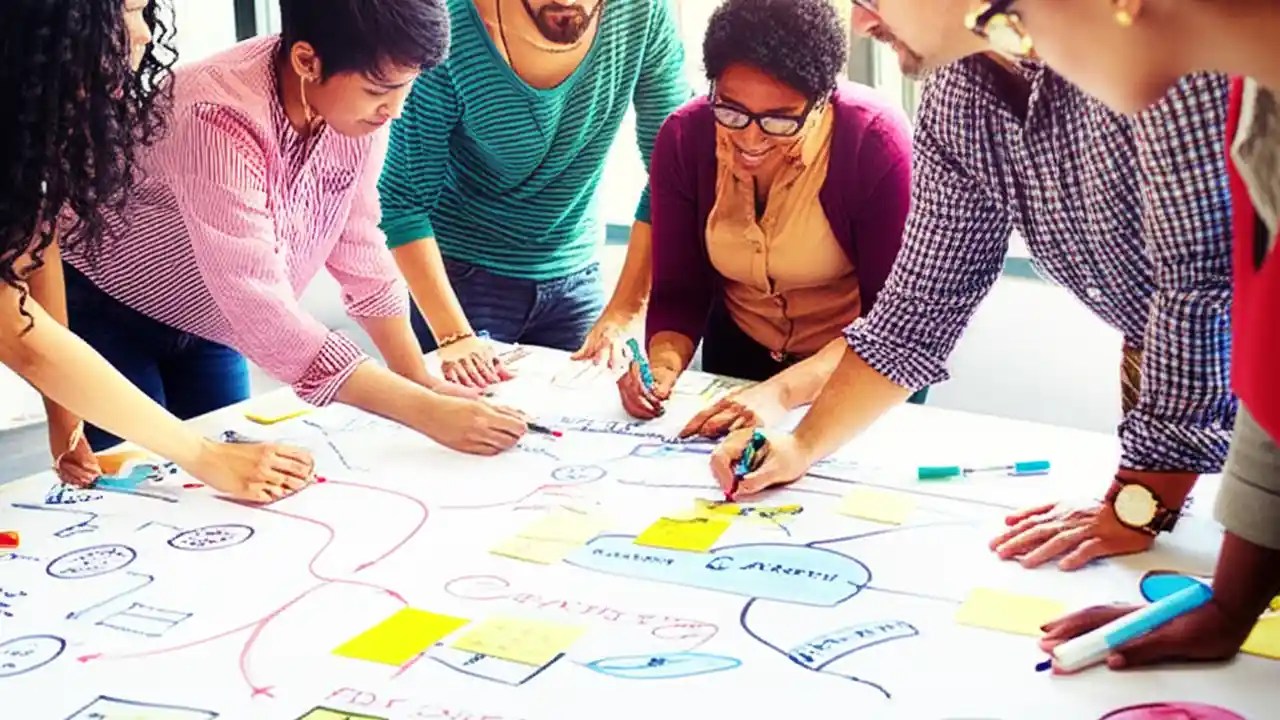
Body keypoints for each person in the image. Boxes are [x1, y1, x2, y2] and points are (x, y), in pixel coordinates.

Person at [708, 0, 1236, 573]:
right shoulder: (959, 94)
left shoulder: (1143, 43)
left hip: (1241, 374)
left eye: (873, 0)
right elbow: (914, 316)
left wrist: (1138, 502)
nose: (861, 23)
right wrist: (801, 445)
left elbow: (1206, 284)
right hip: (1176, 391)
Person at [61, 0, 530, 456]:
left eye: (406, 87)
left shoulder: (359, 112)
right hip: (108, 306)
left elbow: (360, 245)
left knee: (229, 466)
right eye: (379, 90)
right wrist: (422, 411)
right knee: (135, 481)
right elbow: (262, 311)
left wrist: (419, 381)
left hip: (212, 318)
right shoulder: (215, 114)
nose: (395, 110)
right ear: (308, 60)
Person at [961, 0, 1280, 670]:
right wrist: (1227, 605)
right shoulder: (1254, 104)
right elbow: (1273, 379)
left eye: (1010, 21)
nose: (1033, 67)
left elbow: (1204, 285)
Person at [0, 0, 313, 502]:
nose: (145, 36)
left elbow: (34, 253)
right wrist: (206, 457)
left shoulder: (30, 130)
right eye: (127, 12)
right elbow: (21, 338)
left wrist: (66, 414)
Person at [617, 0, 913, 433]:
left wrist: (781, 393)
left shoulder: (874, 144)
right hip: (740, 356)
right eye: (731, 111)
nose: (749, 138)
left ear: (820, 101)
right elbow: (679, 292)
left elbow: (895, 324)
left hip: (858, 370)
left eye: (779, 120)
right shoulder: (684, 138)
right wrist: (660, 369)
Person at [377, 0, 692, 389]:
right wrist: (454, 335)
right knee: (464, 432)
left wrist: (625, 311)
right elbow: (403, 201)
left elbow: (675, 172)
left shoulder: (641, 11)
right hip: (462, 280)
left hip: (575, 275)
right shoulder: (447, 25)